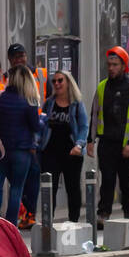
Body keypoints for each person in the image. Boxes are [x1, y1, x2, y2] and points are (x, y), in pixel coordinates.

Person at [87, 46, 129, 229]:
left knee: (127, 183)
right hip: (108, 142)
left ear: (124, 66)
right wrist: (90, 140)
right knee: (107, 181)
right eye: (109, 64)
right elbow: (94, 115)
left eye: (115, 64)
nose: (111, 68)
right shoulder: (102, 86)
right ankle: (103, 214)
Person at [0, 64, 45, 225]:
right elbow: (35, 126)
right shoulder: (29, 99)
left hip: (1, 150)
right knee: (16, 189)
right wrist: (43, 121)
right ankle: (11, 225)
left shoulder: (1, 97)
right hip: (21, 151)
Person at [8, 43, 47, 228]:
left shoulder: (40, 75)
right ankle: (22, 215)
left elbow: (49, 98)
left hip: (36, 132)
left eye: (21, 55)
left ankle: (30, 215)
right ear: (10, 60)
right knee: (18, 181)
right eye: (15, 57)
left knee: (33, 178)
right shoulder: (7, 78)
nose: (19, 59)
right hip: (18, 135)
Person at [41, 71, 89, 223]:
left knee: (73, 188)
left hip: (71, 152)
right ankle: (48, 222)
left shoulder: (76, 104)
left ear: (68, 82)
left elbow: (83, 127)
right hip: (51, 152)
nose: (57, 84)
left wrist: (79, 145)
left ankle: (73, 221)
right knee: (50, 188)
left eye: (60, 80)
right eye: (54, 81)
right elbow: (41, 124)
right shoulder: (49, 103)